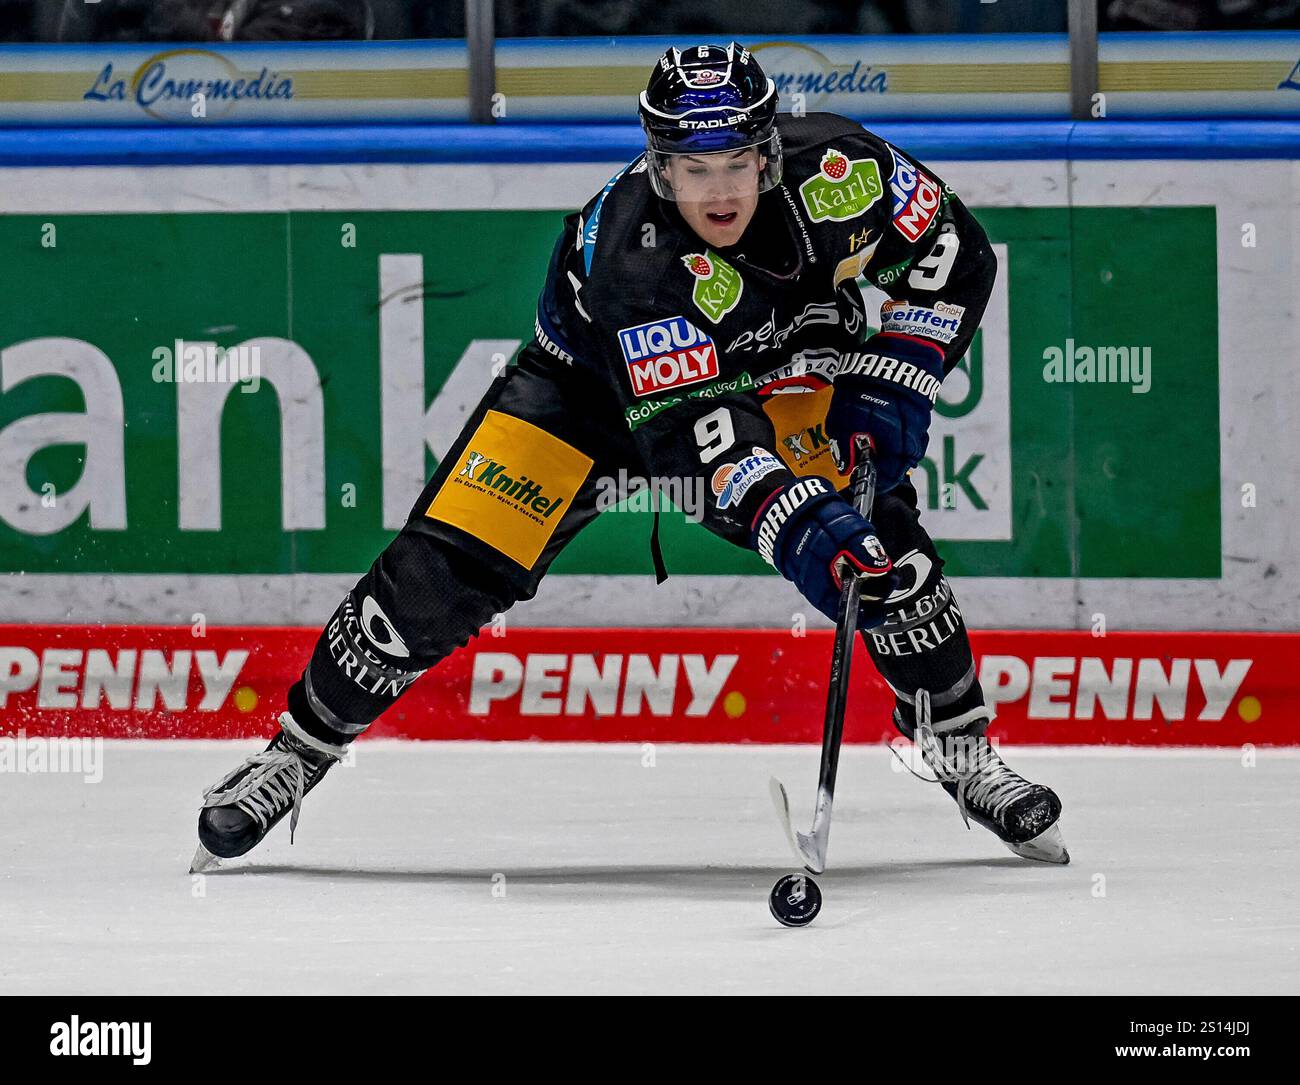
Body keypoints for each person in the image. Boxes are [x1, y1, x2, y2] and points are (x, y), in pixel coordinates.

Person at [192, 42, 1068, 871]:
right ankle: (295, 754)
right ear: (659, 165)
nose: (718, 192)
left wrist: (896, 373)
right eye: (693, 168)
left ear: (768, 153)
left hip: (774, 367)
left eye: (734, 164)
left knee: (882, 551)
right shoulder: (631, 257)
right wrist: (804, 530)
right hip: (585, 402)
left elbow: (955, 259)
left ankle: (963, 753)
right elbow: (696, 438)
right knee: (437, 576)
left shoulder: (850, 170)